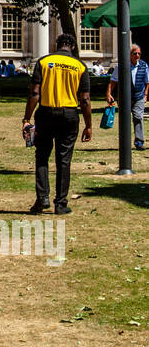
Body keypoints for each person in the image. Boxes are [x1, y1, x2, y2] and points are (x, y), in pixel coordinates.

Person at [23, 32, 92, 215]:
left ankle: (42, 197)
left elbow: (35, 93)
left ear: (57, 45)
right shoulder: (80, 66)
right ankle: (60, 203)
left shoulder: (44, 62)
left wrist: (26, 118)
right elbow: (85, 99)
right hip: (69, 115)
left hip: (46, 113)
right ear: (73, 47)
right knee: (64, 160)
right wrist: (88, 124)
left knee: (42, 155)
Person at [106, 43, 149, 150]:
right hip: (124, 97)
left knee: (138, 117)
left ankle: (139, 142)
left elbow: (147, 82)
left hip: (139, 96)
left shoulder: (144, 65)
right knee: (124, 119)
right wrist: (109, 93)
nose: (137, 55)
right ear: (129, 54)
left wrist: (145, 95)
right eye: (135, 53)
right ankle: (124, 142)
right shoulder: (120, 66)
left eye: (139, 53)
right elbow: (113, 81)